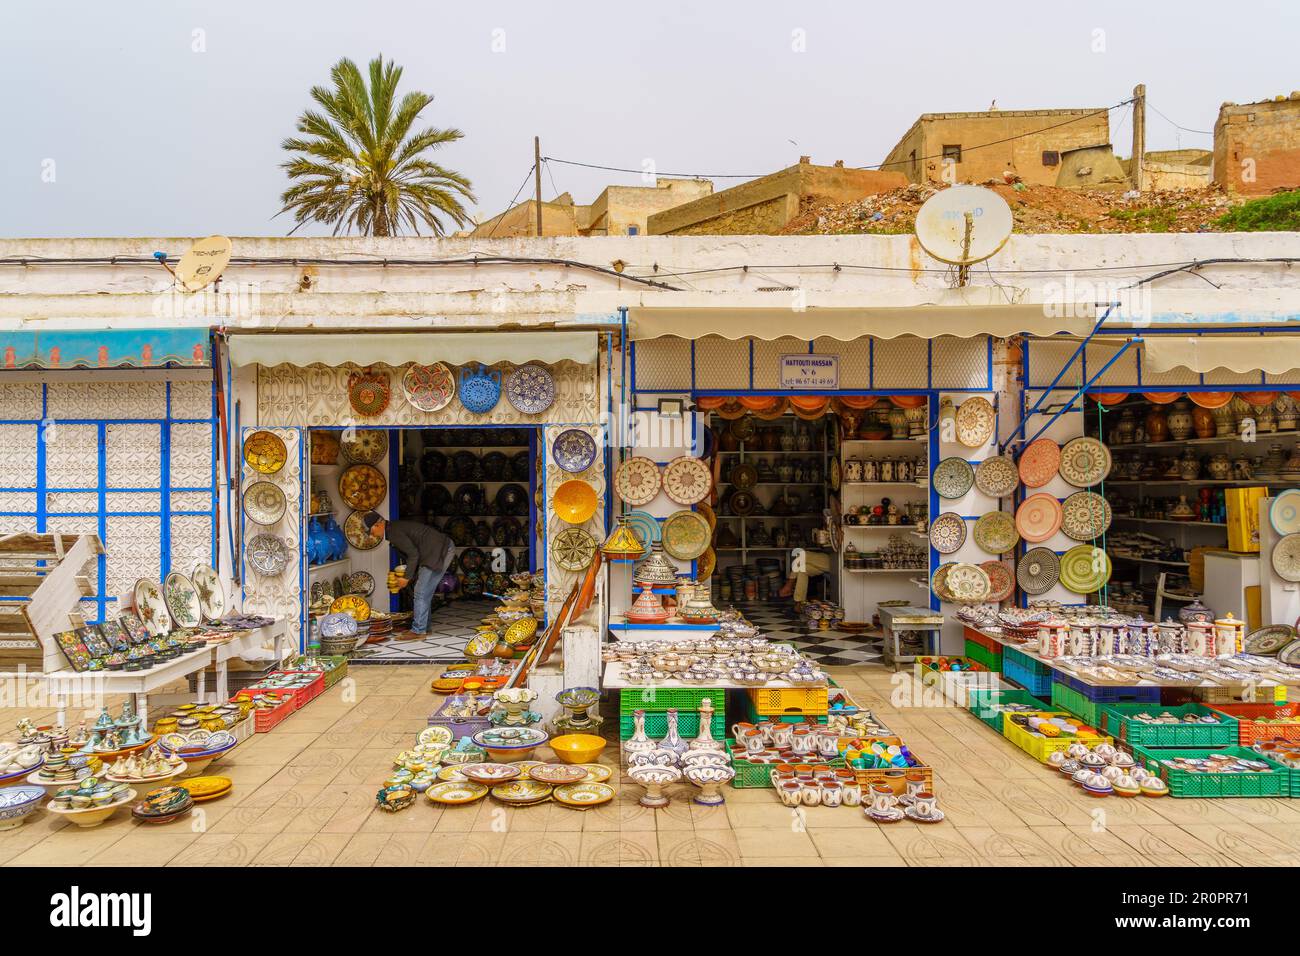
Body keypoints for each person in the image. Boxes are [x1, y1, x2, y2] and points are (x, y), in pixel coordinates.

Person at [361, 512, 456, 640]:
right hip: (438, 550)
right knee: (424, 592)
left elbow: (413, 554)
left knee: (420, 592)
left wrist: (406, 578)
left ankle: (418, 631)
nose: (371, 535)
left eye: (371, 531)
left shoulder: (393, 531)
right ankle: (424, 629)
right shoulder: (392, 529)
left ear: (378, 524)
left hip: (438, 551)